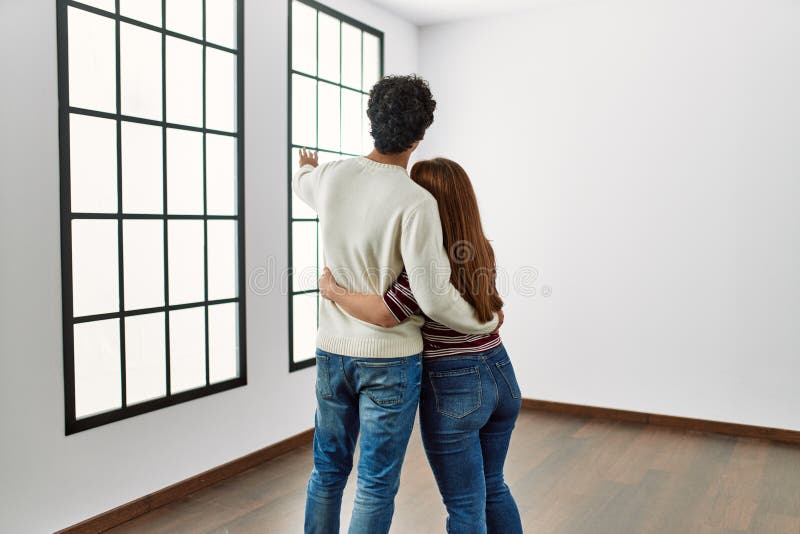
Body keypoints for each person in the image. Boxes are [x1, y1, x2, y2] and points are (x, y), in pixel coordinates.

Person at [293, 75, 500, 534]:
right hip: (390, 360)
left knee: (326, 470)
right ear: (419, 136)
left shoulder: (330, 177)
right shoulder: (416, 202)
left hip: (331, 352)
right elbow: (434, 298)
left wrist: (306, 168)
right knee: (375, 483)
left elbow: (302, 182)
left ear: (371, 121)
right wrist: (482, 321)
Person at [318, 157, 523, 534]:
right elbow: (491, 310)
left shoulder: (425, 265)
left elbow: (385, 312)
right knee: (494, 486)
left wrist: (334, 291)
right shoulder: (481, 249)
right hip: (500, 371)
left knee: (464, 504)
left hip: (457, 385)